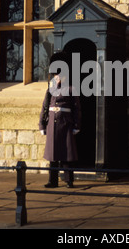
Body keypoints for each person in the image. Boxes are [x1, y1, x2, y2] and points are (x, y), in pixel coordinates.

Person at [39, 52, 81, 188]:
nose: (57, 78)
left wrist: (76, 125)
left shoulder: (71, 89)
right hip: (52, 124)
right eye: (56, 75)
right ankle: (52, 181)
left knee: (66, 155)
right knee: (53, 155)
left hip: (66, 124)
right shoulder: (50, 90)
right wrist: (42, 125)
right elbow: (45, 107)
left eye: (59, 75)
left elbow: (76, 109)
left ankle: (69, 180)